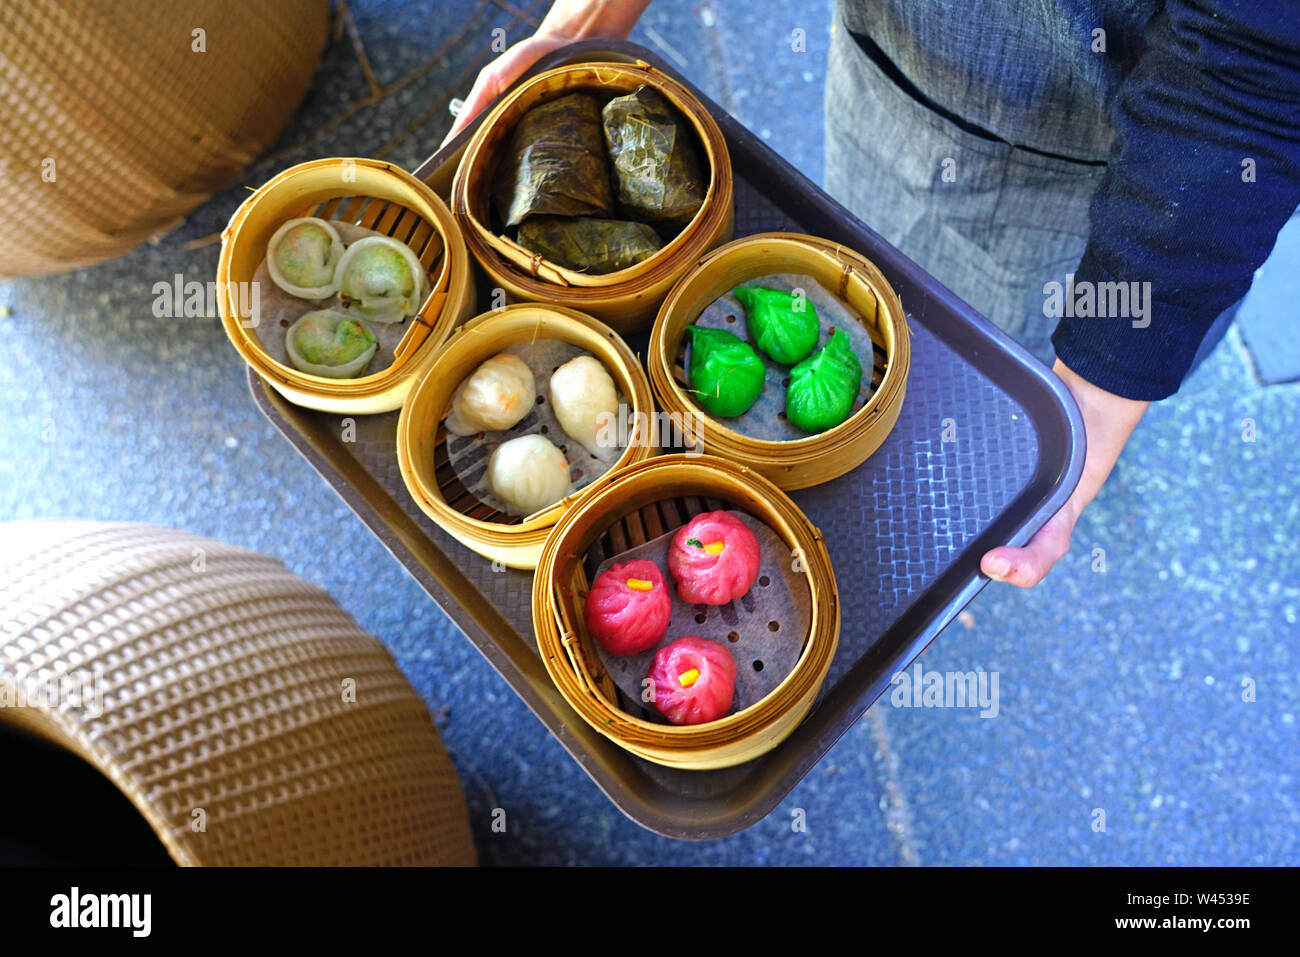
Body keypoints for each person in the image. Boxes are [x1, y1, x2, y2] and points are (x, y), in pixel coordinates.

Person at [449, 0, 1300, 588]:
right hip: (888, 64)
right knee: (875, 283)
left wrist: (1092, 411)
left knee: (985, 376)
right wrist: (587, 28)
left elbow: (1254, 69)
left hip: (1102, 168)